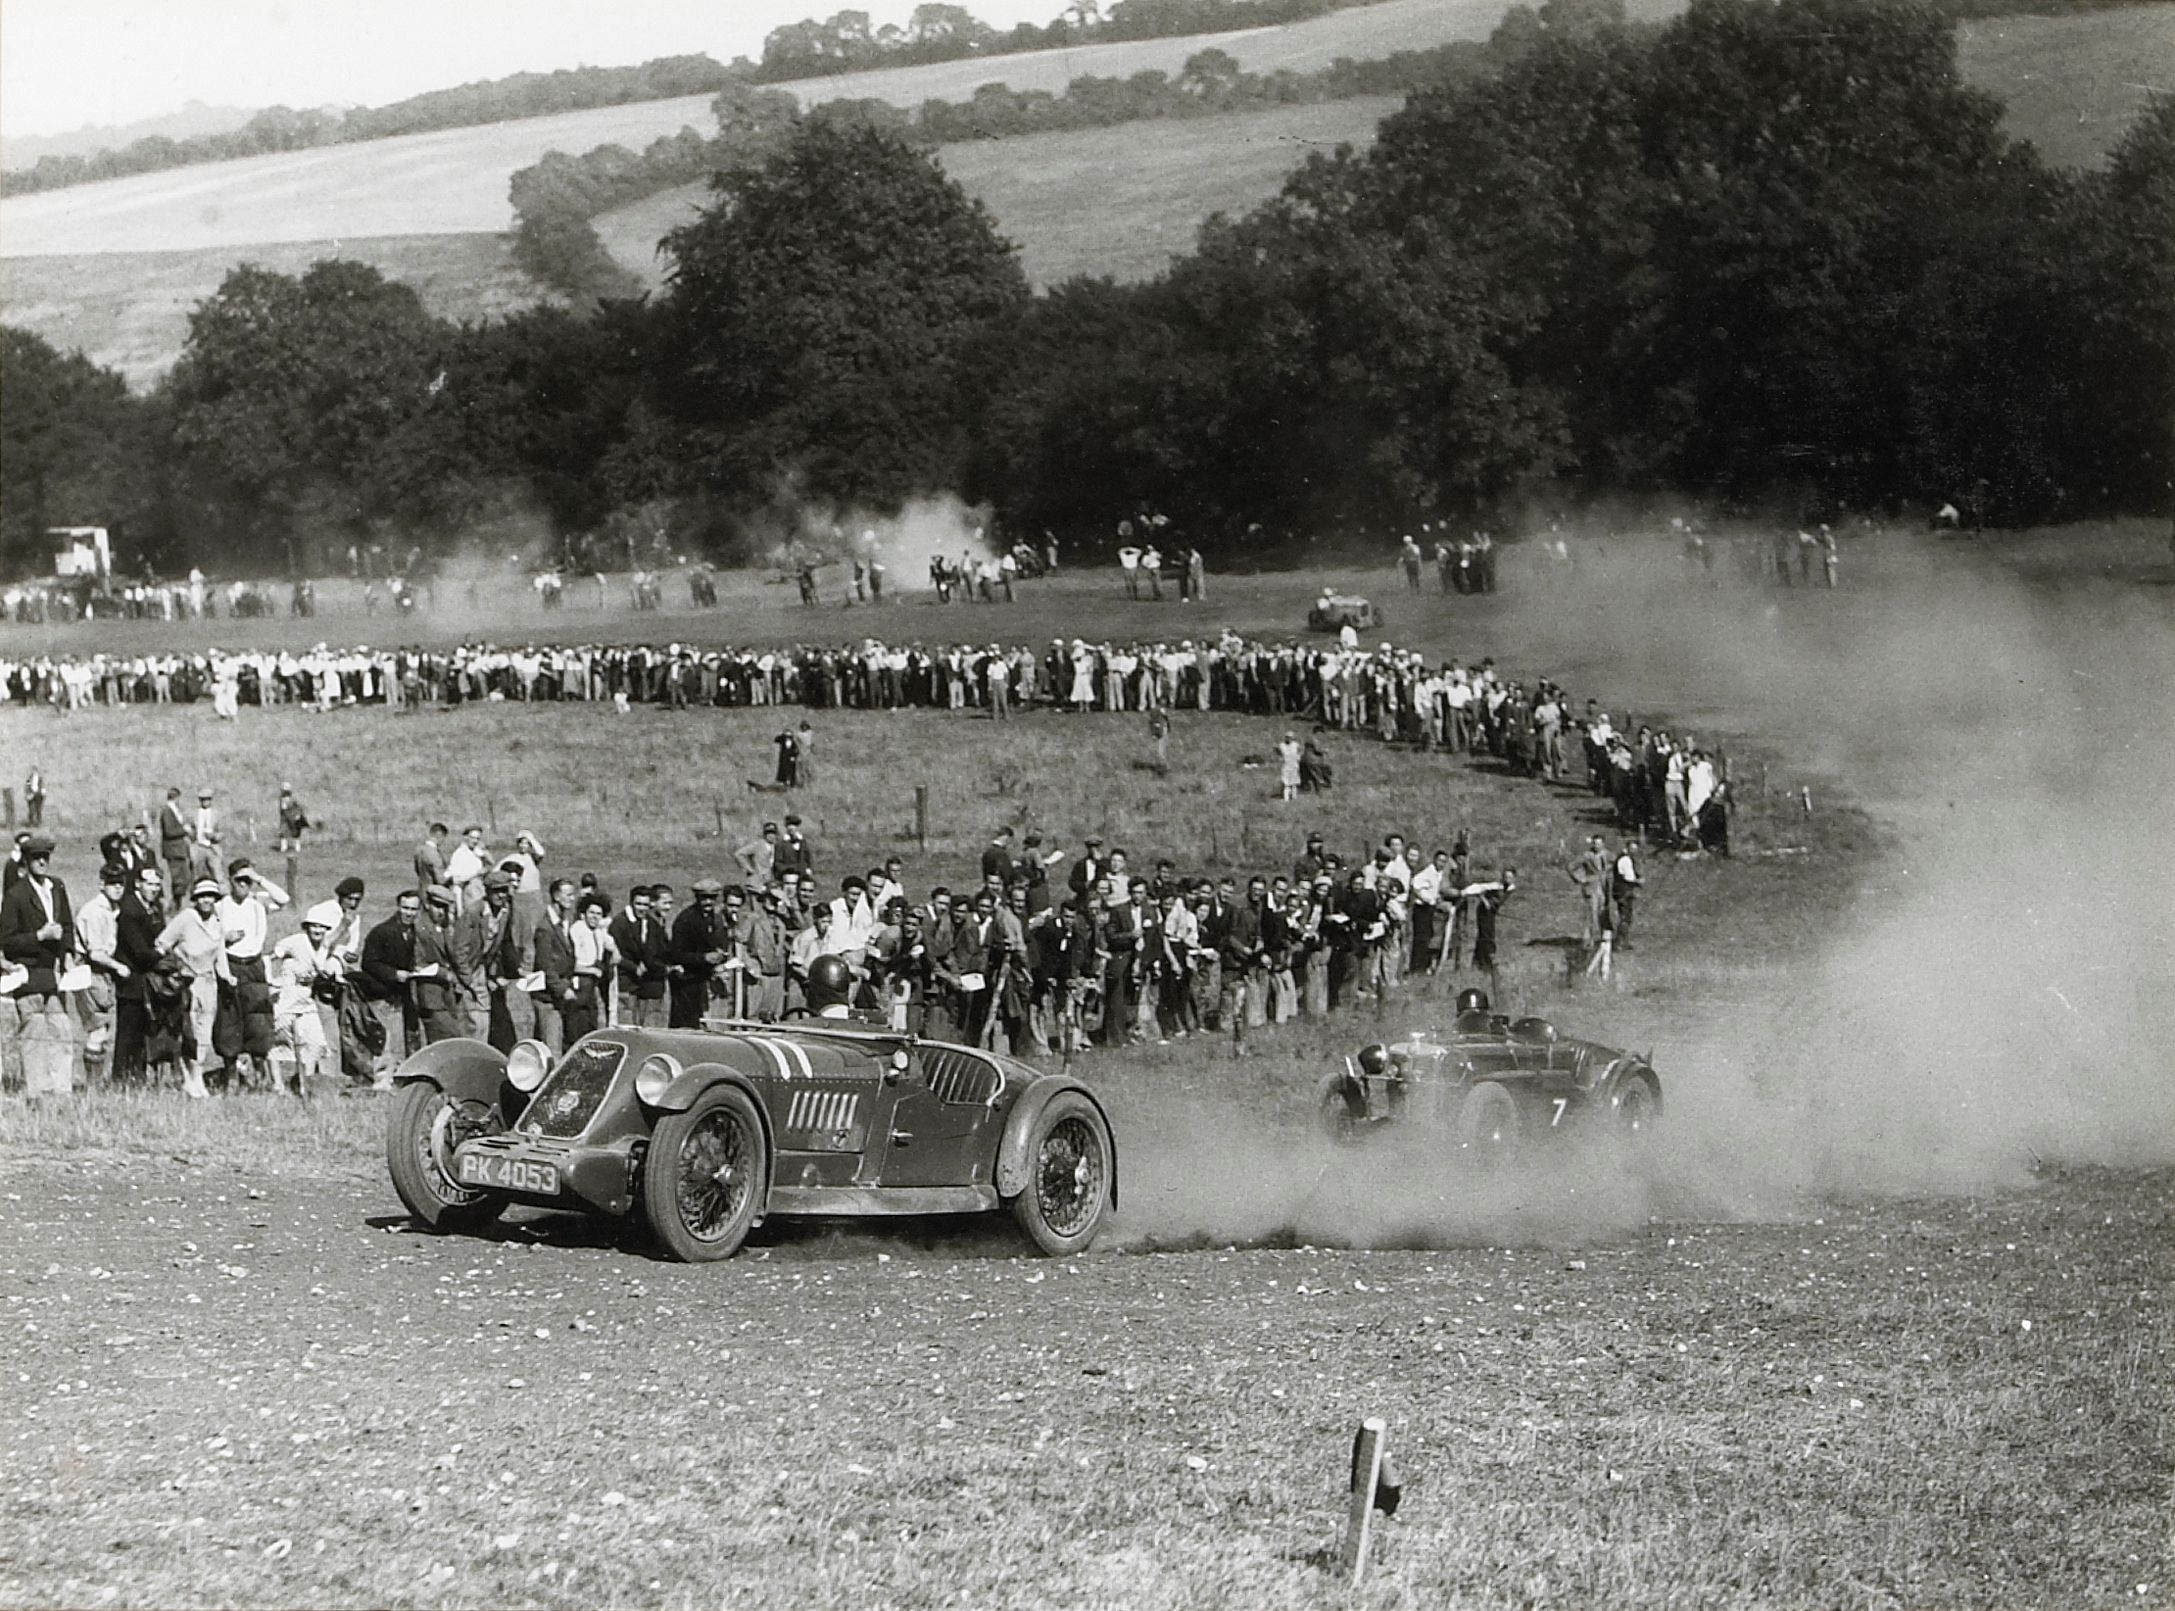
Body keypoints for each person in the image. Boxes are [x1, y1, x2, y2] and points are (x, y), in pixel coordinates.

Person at [1, 834, 78, 1099]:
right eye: (36, 857)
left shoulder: (57, 887)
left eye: (46, 857)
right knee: (34, 1032)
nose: (42, 862)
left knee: (61, 1029)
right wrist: (38, 937)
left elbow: (67, 925)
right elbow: (8, 941)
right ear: (27, 860)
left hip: (54, 974)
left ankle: (61, 1089)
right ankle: (36, 1091)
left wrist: (68, 952)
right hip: (28, 973)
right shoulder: (16, 895)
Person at [214, 858, 289, 1089]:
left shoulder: (257, 903)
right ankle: (231, 1075)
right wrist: (224, 937)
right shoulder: (222, 906)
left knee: (258, 1019)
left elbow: (284, 899)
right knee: (229, 1018)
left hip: (254, 964)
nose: (244, 885)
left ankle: (260, 1076)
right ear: (230, 881)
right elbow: (209, 932)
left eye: (248, 881)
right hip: (231, 962)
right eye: (239, 880)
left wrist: (260, 879)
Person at [157, 878, 229, 1099]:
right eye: (202, 896)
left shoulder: (217, 921)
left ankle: (198, 1077)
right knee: (187, 1031)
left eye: (211, 896)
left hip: (209, 982)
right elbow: (162, 943)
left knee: (204, 1031)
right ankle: (186, 1078)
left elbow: (220, 952)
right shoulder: (187, 918)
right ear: (195, 899)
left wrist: (227, 976)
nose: (207, 901)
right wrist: (177, 965)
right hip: (187, 983)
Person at [267, 904, 342, 1093]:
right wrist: (271, 980)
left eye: (321, 927)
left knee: (314, 1042)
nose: (317, 930)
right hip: (285, 998)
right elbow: (269, 958)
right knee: (280, 1041)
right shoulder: (295, 941)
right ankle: (277, 1085)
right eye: (313, 926)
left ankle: (303, 1083)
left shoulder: (325, 948)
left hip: (306, 1000)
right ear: (306, 927)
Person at [358, 889, 426, 1079]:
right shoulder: (382, 932)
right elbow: (369, 962)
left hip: (403, 994)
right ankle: (383, 1078)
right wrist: (394, 974)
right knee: (386, 1038)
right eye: (405, 908)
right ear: (398, 907)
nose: (409, 913)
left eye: (413, 909)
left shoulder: (415, 931)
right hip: (383, 994)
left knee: (405, 1037)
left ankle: (401, 1074)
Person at [669, 879, 729, 1028]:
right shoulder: (686, 919)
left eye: (712, 898)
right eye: (704, 898)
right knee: (686, 1024)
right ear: (697, 898)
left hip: (703, 980)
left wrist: (720, 952)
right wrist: (703, 958)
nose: (708, 902)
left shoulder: (714, 917)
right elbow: (676, 954)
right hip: (687, 981)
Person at [158, 788, 191, 910]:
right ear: (176, 798)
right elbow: (169, 831)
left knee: (182, 878)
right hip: (173, 850)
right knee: (178, 879)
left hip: (178, 850)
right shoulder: (167, 811)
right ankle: (175, 906)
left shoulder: (173, 810)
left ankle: (177, 905)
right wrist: (184, 830)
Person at [1611, 841, 1642, 949]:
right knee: (1624, 917)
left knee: (1628, 917)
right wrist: (1638, 881)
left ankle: (1624, 941)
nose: (1634, 851)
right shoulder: (1624, 860)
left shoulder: (1629, 859)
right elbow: (1627, 877)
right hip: (1622, 892)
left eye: (1635, 849)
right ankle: (1619, 943)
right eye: (1632, 848)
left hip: (1626, 891)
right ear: (1627, 848)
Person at [415, 823, 451, 903]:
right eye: (444, 838)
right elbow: (441, 880)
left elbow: (417, 870)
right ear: (440, 836)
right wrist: (451, 872)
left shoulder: (419, 850)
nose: (443, 841)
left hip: (422, 890)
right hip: (434, 895)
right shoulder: (434, 854)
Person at [23, 766, 45, 830]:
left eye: (34, 771)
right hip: (31, 795)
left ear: (37, 772)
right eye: (32, 771)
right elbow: (27, 786)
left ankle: (38, 822)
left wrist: (41, 793)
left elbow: (42, 787)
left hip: (38, 795)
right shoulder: (29, 779)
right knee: (31, 809)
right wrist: (28, 794)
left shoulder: (40, 779)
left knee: (38, 809)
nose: (33, 772)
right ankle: (31, 822)